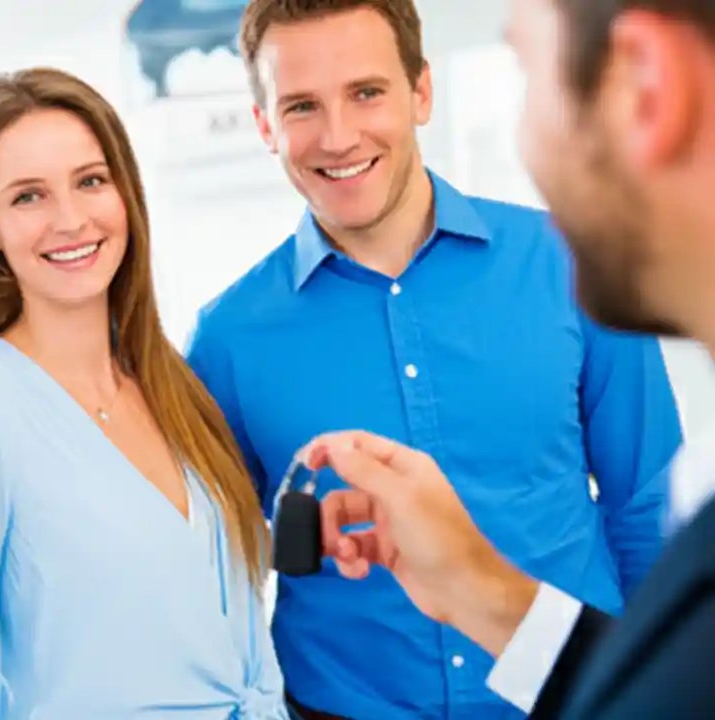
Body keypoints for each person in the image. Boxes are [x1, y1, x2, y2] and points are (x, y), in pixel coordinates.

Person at [183, 1, 684, 718]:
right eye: (300, 105)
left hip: (575, 699)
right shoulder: (224, 342)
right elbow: (215, 575)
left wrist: (656, 696)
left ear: (421, 91)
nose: (338, 136)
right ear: (265, 125)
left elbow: (647, 506)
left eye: (366, 92)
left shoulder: (572, 265)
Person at [0, 67, 287, 719]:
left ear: (124, 193)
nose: (72, 219)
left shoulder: (171, 382)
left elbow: (184, 608)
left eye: (90, 180)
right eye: (28, 196)